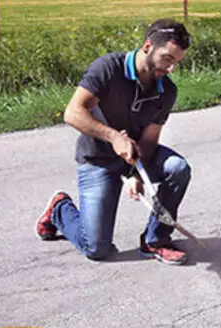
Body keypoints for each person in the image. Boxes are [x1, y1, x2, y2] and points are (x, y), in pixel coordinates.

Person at [35, 19, 194, 265]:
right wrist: (113, 137)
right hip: (98, 159)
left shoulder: (167, 90)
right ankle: (59, 209)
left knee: (178, 168)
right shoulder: (108, 68)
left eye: (176, 62)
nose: (171, 68)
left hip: (136, 158)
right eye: (167, 59)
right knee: (96, 248)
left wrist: (136, 174)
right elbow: (73, 112)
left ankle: (156, 239)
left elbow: (150, 141)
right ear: (147, 46)